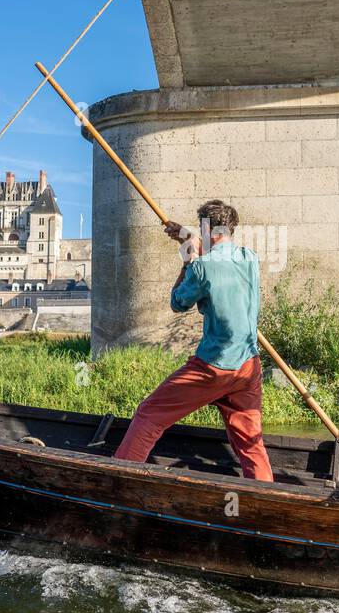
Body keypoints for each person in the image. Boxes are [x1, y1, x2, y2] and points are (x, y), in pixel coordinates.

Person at [112, 200, 273, 482]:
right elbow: (219, 253)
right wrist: (189, 237)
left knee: (149, 415)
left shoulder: (201, 268)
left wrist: (188, 261)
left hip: (214, 367)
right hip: (249, 366)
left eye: (201, 228)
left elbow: (178, 303)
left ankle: (119, 478)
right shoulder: (250, 258)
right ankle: (266, 496)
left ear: (208, 229)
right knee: (250, 443)